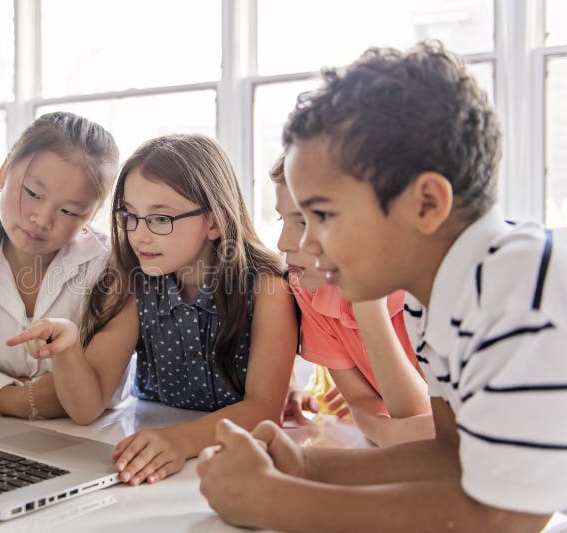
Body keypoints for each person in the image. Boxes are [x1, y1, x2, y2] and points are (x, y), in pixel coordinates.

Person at [198, 41, 565, 531]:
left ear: (427, 203)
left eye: (322, 215)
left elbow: (506, 517)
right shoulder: (432, 299)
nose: (305, 241)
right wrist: (305, 466)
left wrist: (273, 501)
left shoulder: (518, 292)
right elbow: (452, 455)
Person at [8, 134, 297, 486]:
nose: (139, 236)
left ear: (214, 223)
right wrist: (68, 346)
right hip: (148, 451)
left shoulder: (268, 289)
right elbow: (87, 408)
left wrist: (180, 440)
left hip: (233, 461)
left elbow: (265, 410)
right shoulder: (134, 281)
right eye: (131, 216)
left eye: (160, 219)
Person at [0, 111, 125, 420]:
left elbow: (91, 400)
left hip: (95, 436)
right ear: (3, 171)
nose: (42, 219)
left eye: (69, 211)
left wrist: (2, 391)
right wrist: (31, 400)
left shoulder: (111, 266)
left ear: (91, 216)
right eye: (33, 193)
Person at [271, 154, 433, 445]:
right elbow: (360, 401)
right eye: (284, 219)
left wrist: (368, 303)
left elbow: (422, 418)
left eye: (304, 222)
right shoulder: (311, 289)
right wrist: (383, 430)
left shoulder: (426, 292)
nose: (282, 243)